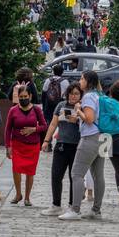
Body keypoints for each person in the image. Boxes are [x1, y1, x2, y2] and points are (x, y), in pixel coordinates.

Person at [60, 70, 106, 221]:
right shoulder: (101, 95)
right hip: (105, 137)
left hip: (91, 137)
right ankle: (96, 210)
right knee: (98, 175)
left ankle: (75, 209)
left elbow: (90, 119)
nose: (80, 81)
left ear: (88, 81)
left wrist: (78, 110)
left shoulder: (88, 96)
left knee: (77, 173)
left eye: (81, 78)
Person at [5, 74, 47, 206]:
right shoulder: (13, 110)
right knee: (16, 169)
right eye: (21, 97)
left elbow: (44, 126)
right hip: (17, 144)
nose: (23, 99)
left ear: (30, 96)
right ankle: (18, 194)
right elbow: (8, 129)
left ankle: (27, 197)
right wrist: (8, 146)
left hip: (33, 145)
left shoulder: (36, 110)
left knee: (30, 171)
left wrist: (33, 129)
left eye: (25, 97)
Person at [41, 85, 82, 215]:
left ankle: (72, 205)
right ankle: (56, 204)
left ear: (80, 95)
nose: (73, 96)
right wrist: (46, 141)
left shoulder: (83, 107)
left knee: (73, 177)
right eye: (71, 93)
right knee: (56, 175)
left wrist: (78, 119)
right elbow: (53, 124)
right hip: (61, 144)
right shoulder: (60, 105)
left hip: (77, 146)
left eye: (76, 93)